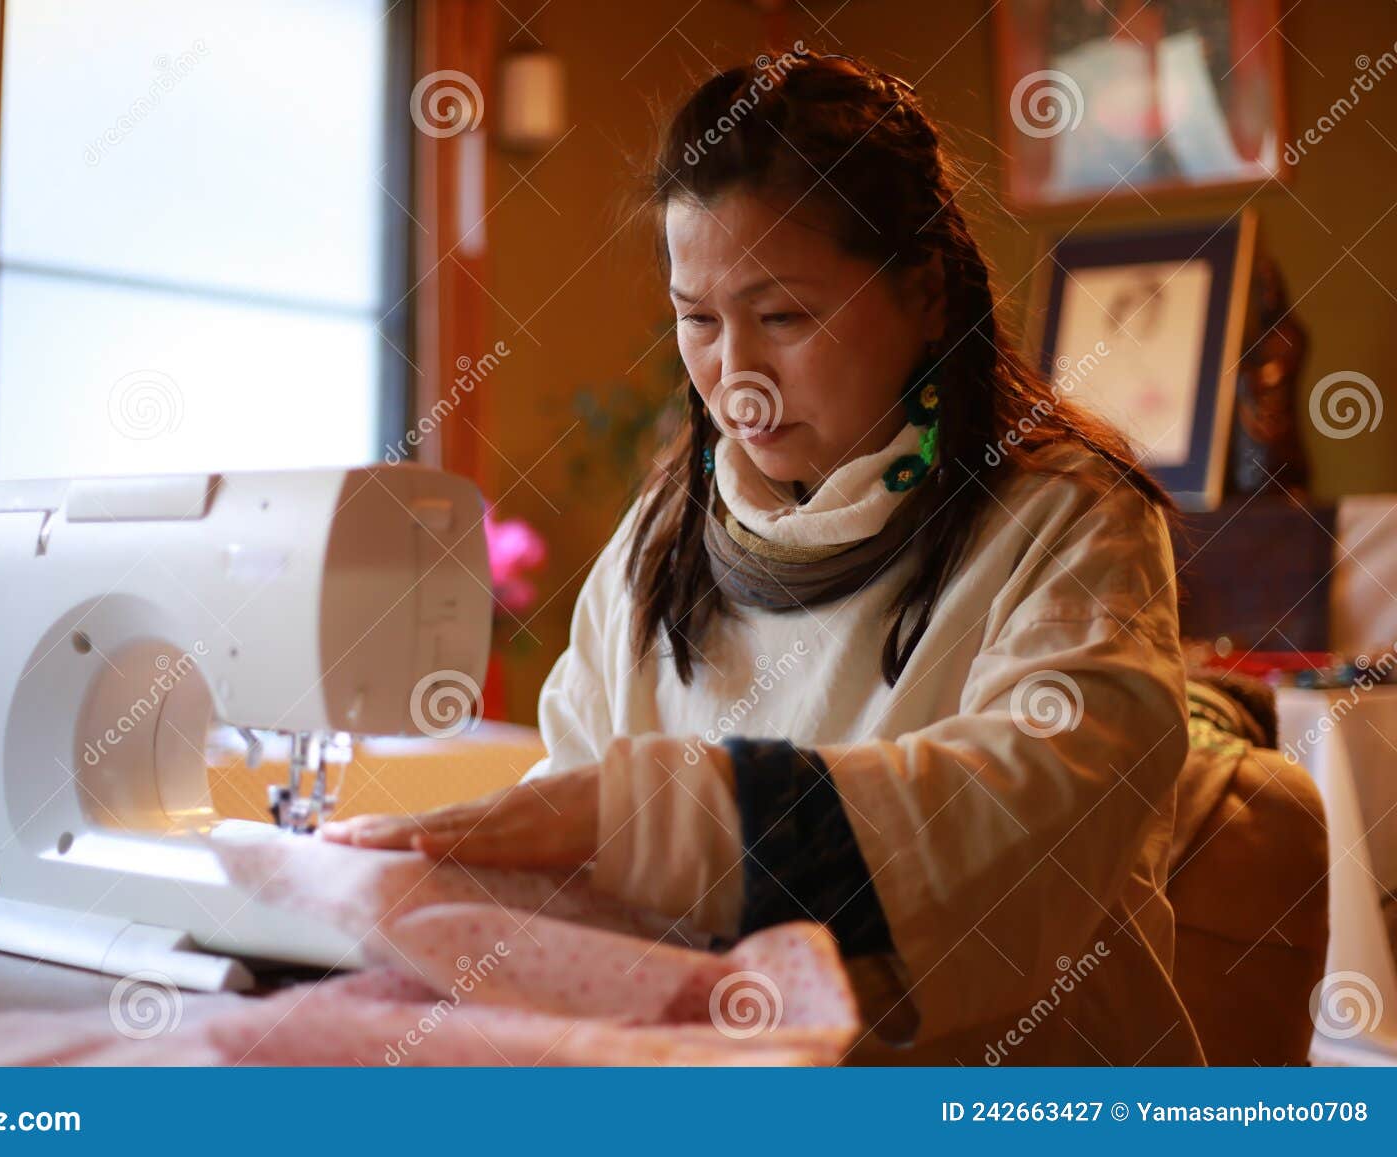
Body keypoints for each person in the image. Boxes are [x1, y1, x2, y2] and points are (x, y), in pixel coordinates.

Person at [326, 49, 1199, 1065]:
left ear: (923, 293)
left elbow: (1031, 812)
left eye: (784, 316)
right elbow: (577, 847)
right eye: (697, 320)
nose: (736, 374)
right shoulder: (662, 535)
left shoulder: (1067, 516)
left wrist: (658, 819)